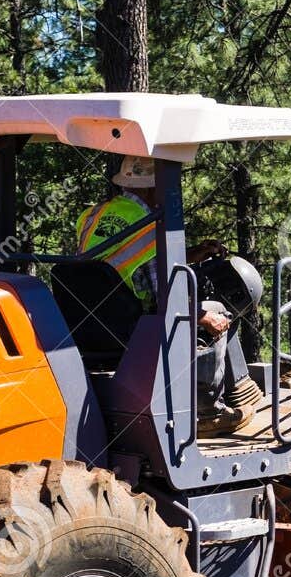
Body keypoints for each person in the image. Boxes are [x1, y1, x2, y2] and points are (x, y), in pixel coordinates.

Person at [77, 156, 253, 435]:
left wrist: (192, 253)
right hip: (132, 328)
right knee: (218, 310)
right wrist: (204, 317)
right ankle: (207, 412)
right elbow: (167, 299)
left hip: (90, 324)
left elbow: (121, 261)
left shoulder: (92, 216)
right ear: (153, 187)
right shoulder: (149, 225)